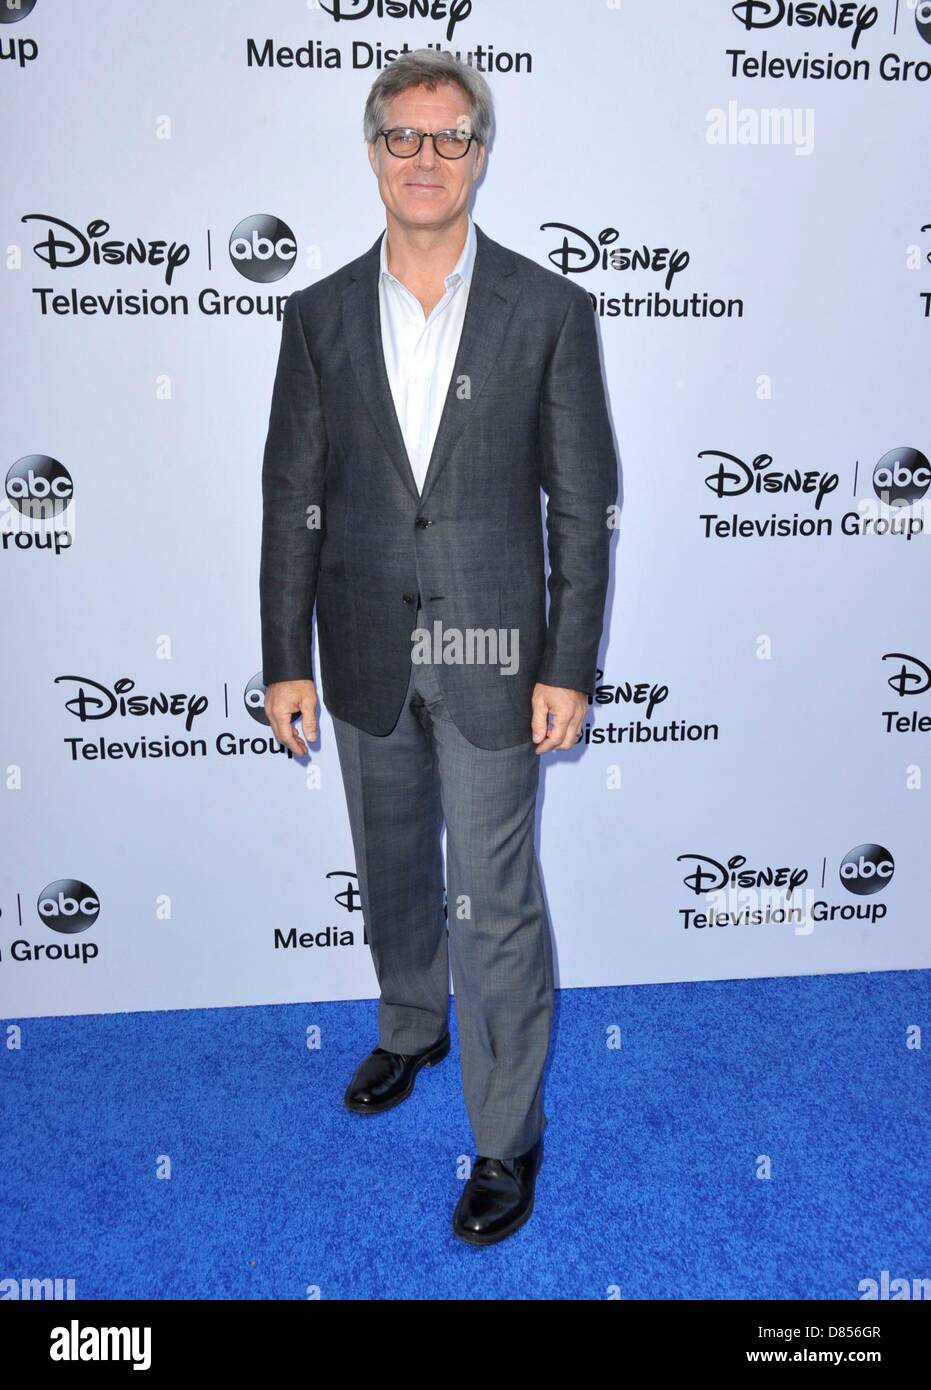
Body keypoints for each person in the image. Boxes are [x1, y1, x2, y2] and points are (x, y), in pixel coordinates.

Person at [259, 48, 618, 1245]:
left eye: (449, 138)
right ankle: (410, 1025)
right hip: (359, 645)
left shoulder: (549, 309)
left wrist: (568, 663)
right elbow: (289, 495)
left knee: (496, 900)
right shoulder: (313, 316)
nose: (426, 159)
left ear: (480, 154)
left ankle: (506, 1134)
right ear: (372, 153)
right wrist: (284, 655)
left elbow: (580, 499)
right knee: (396, 865)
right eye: (403, 138)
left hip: (496, 654)